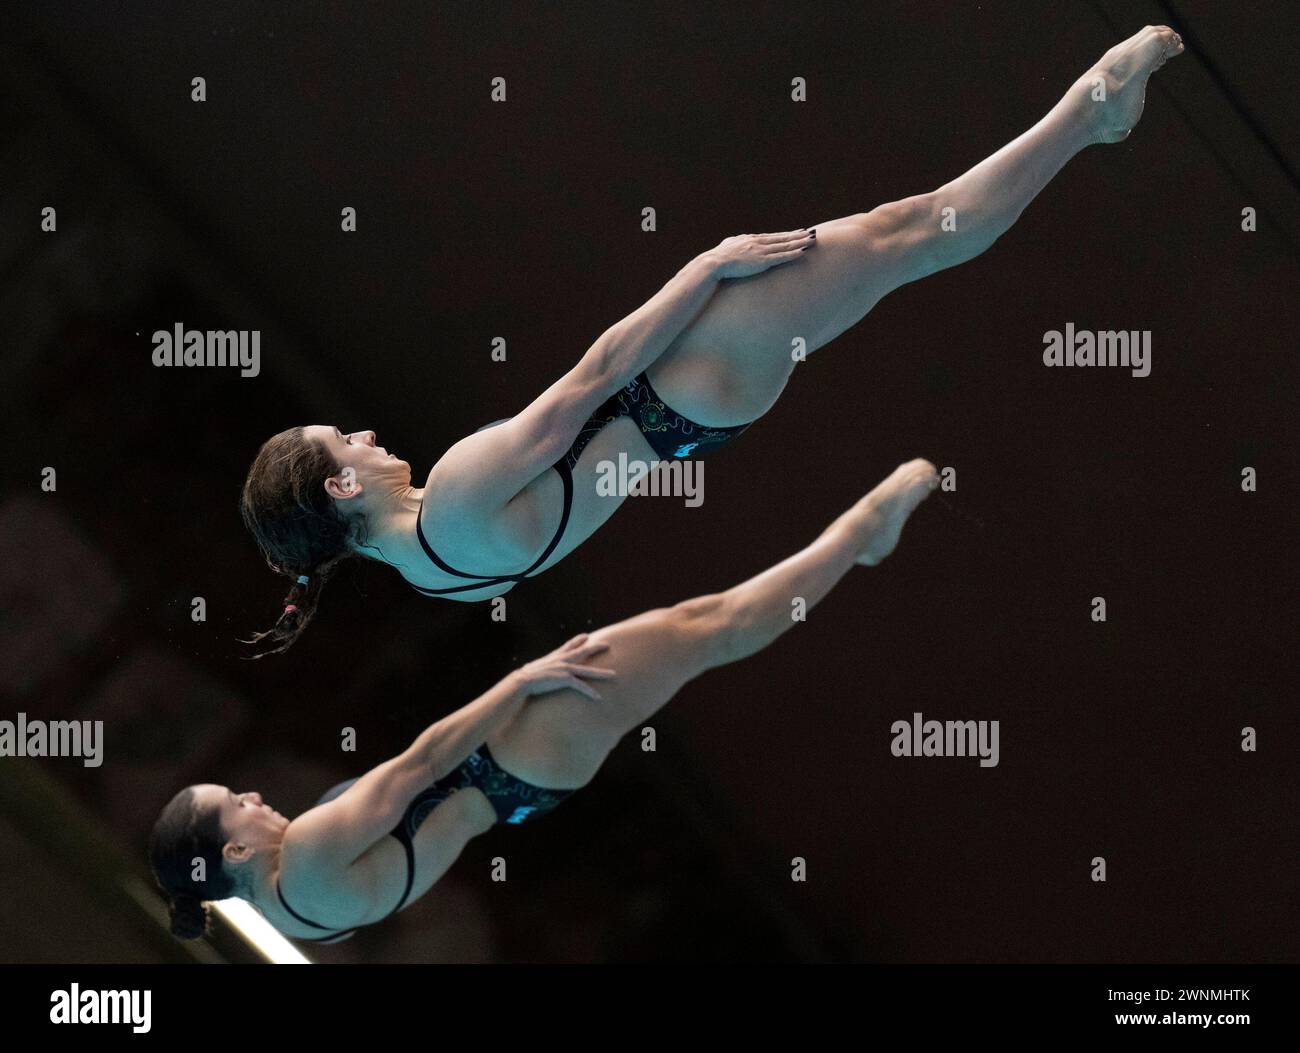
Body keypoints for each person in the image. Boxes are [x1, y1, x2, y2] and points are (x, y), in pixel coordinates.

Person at [239, 26, 1183, 653]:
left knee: (905, 244)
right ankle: (1092, 112)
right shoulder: (452, 494)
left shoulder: (431, 577)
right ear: (338, 484)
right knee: (912, 232)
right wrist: (706, 267)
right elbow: (590, 376)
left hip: (690, 418)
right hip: (674, 385)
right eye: (346, 446)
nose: (364, 438)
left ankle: (1088, 121)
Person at [156, 459, 937, 941]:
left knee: (701, 634)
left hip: (519, 784)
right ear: (233, 852)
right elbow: (425, 760)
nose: (254, 793)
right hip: (512, 754)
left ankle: (850, 546)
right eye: (237, 801)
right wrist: (522, 681)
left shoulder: (292, 916)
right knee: (708, 627)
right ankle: (857, 540)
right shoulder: (313, 849)